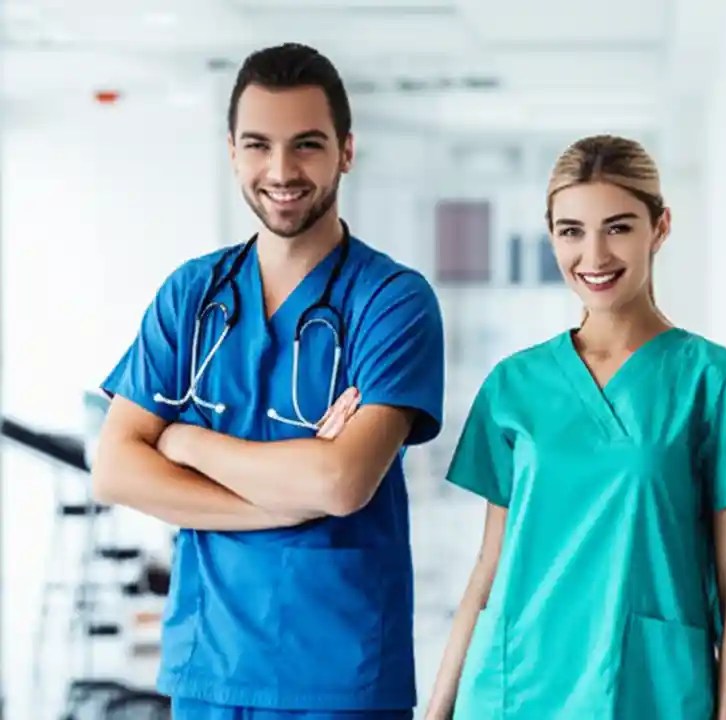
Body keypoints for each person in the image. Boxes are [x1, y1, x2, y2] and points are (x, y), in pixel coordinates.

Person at [90, 43, 444, 719]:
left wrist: (186, 443)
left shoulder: (392, 301)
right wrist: (282, 504)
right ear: (233, 153)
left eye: (306, 145)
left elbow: (340, 483)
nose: (281, 171)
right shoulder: (192, 294)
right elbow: (115, 470)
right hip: (209, 667)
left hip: (338, 674)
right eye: (258, 145)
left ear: (346, 150)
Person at [424, 135, 726, 719]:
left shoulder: (714, 381)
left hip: (646, 690)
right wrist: (438, 707)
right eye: (571, 231)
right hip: (512, 691)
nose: (593, 255)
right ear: (551, 236)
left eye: (617, 228)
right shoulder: (514, 384)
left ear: (660, 228)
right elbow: (489, 569)